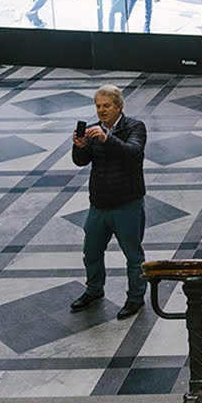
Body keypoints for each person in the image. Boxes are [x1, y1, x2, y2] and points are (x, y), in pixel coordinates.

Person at [69, 86, 148, 320]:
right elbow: (80, 161)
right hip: (99, 204)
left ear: (119, 106)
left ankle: (135, 297)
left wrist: (108, 138)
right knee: (91, 252)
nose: (101, 111)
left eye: (106, 106)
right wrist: (79, 146)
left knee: (133, 256)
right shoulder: (94, 130)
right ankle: (94, 289)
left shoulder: (135, 127)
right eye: (98, 106)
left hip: (127, 204)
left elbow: (133, 153)